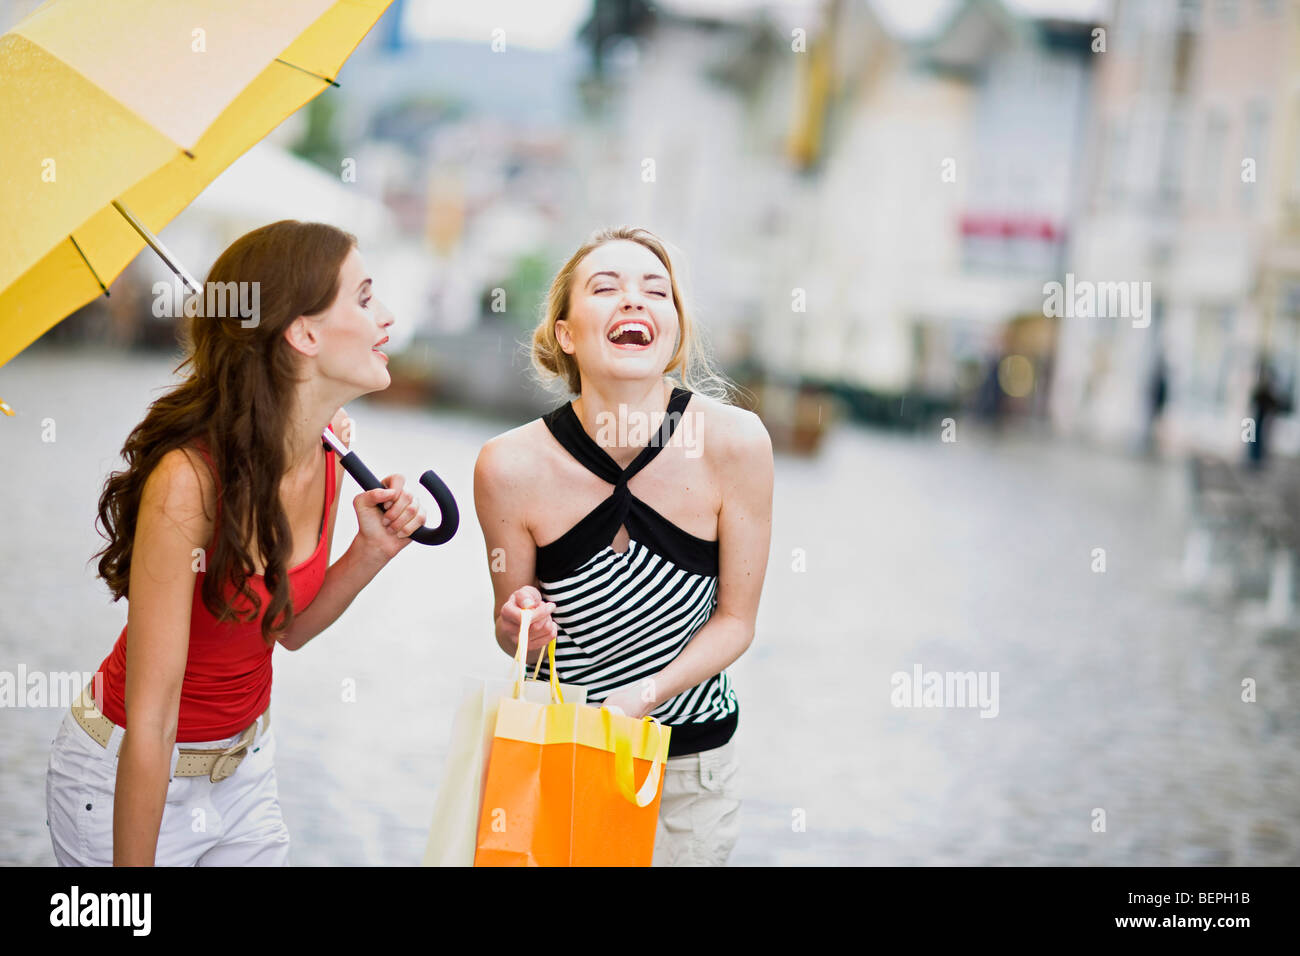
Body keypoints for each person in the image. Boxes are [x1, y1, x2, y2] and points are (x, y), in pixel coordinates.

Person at [46, 220, 427, 866]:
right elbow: (154, 718)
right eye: (364, 298)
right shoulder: (188, 485)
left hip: (244, 774)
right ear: (303, 334)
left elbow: (289, 630)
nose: (386, 316)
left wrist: (371, 552)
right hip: (129, 776)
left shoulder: (328, 453)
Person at [473, 226, 774, 866]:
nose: (634, 301)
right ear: (565, 333)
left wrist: (640, 699)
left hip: (687, 769)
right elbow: (518, 633)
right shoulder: (507, 466)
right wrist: (519, 625)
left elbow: (737, 622)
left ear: (673, 330)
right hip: (559, 756)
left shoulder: (736, 444)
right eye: (605, 288)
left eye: (655, 292)